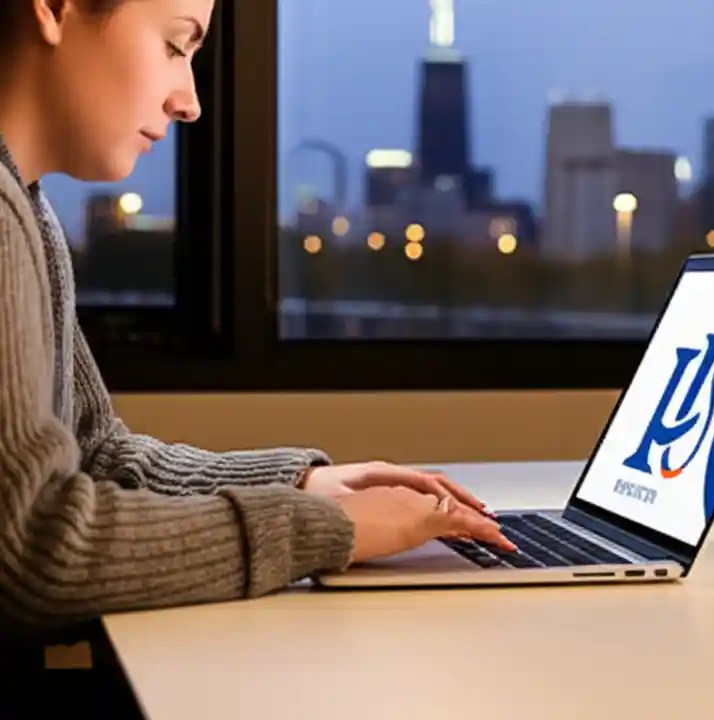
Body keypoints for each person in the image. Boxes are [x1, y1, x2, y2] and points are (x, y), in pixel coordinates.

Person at [0, 0, 517, 643]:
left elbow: (97, 454)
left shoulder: (26, 207)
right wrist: (326, 530)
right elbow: (31, 551)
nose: (189, 102)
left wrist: (305, 483)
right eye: (174, 46)